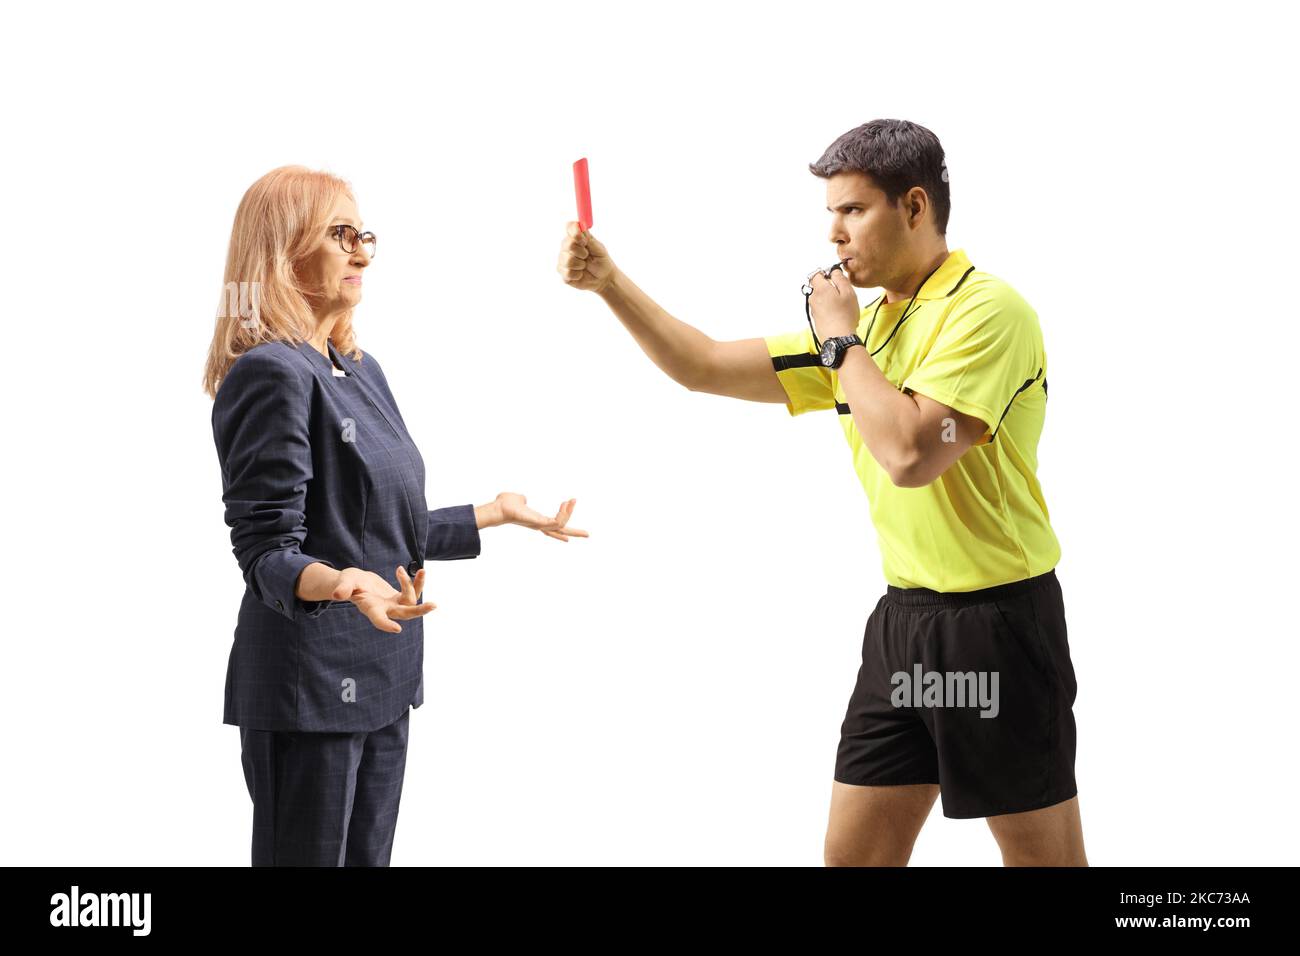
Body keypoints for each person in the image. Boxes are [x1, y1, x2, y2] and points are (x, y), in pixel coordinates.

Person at [555, 119, 1086, 866]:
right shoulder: (871, 330)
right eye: (829, 213)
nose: (834, 233)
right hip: (905, 623)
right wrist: (611, 284)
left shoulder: (986, 313)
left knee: (1044, 863)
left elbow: (909, 453)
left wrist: (841, 345)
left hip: (993, 626)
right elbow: (703, 364)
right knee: (855, 858)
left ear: (913, 207)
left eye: (853, 210)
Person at [203, 165, 588, 866]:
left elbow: (380, 525)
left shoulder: (358, 368)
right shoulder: (271, 373)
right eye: (339, 234)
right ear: (282, 250)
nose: (360, 251)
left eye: (364, 235)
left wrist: (492, 514)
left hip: (384, 669)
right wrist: (347, 583)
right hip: (309, 685)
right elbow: (266, 555)